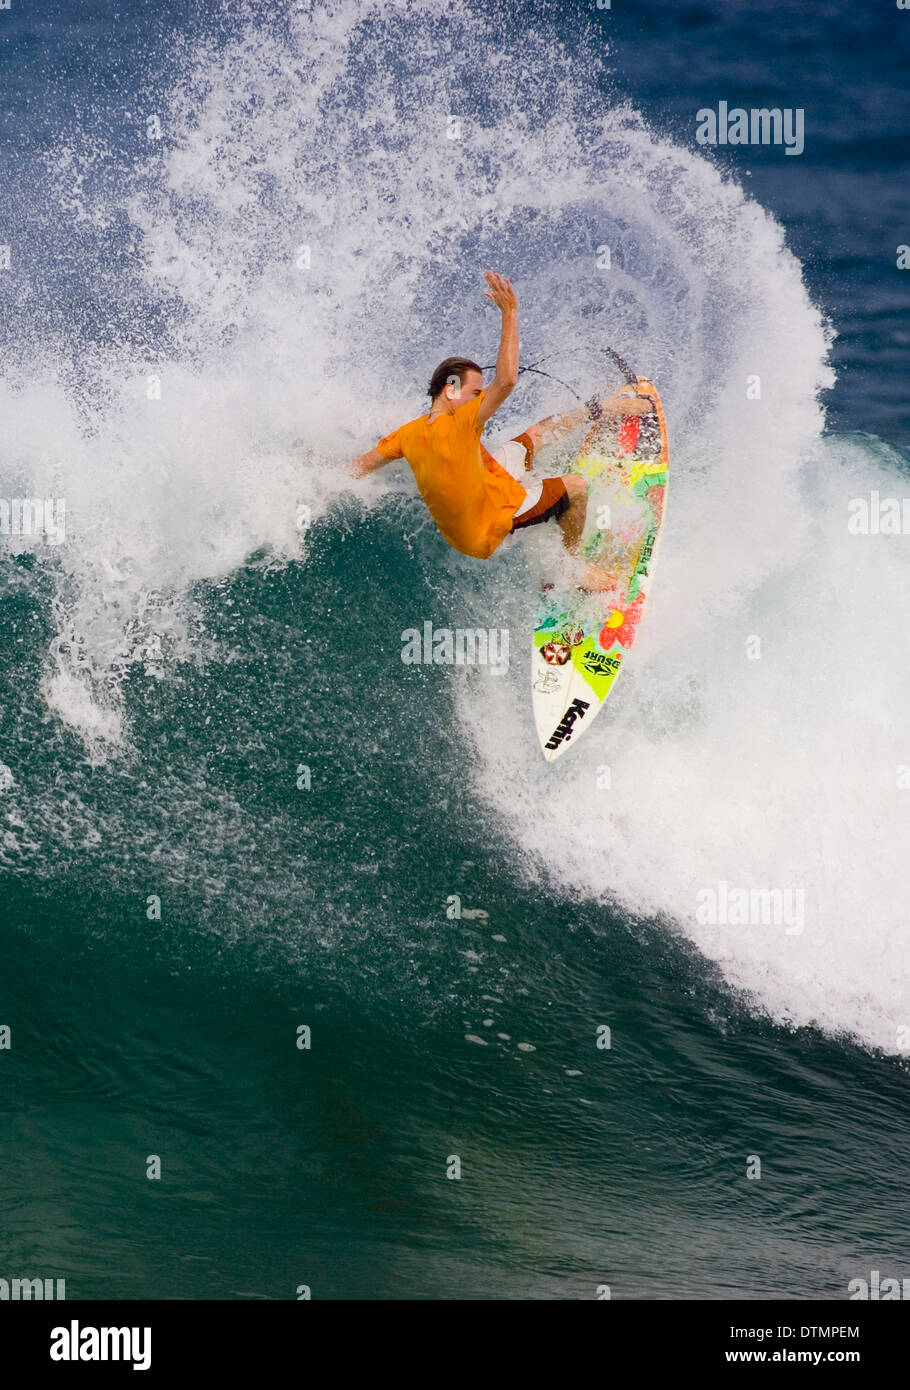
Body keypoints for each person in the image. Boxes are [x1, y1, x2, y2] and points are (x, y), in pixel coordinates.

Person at [349, 271, 650, 590]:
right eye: (475, 393)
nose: (481, 400)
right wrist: (510, 313)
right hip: (485, 528)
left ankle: (599, 410)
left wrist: (315, 483)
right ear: (450, 390)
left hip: (480, 496)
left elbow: (360, 466)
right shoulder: (462, 420)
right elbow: (506, 381)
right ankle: (570, 572)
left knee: (532, 436)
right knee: (575, 487)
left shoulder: (406, 433)